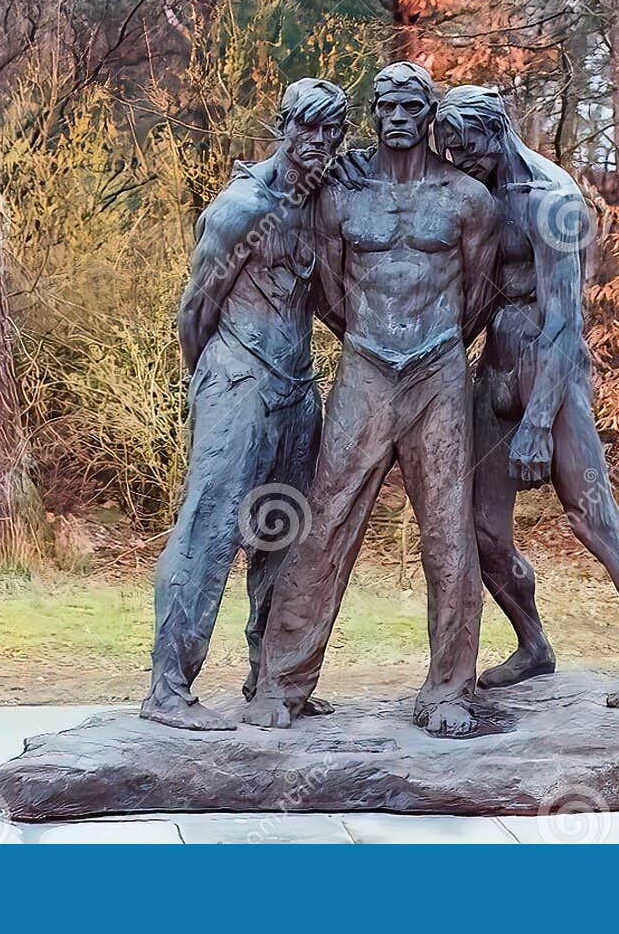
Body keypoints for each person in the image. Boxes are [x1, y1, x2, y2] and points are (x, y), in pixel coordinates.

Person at [241, 62, 501, 737]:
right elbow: (329, 287)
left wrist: (435, 343)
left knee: (448, 530)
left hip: (438, 372)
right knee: (323, 522)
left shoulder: (468, 198)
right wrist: (373, 340)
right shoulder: (340, 196)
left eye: (409, 104)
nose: (394, 115)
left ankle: (450, 688)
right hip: (364, 370)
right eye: (383, 104)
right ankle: (282, 680)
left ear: (429, 111)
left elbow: (477, 294)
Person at [435, 84, 619, 708]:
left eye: (466, 145)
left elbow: (564, 323)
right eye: (447, 147)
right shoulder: (477, 189)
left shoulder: (552, 201)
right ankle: (534, 646)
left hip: (549, 375)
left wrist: (536, 421)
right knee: (481, 530)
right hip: (496, 369)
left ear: (497, 129)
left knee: (595, 521)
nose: (456, 158)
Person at [140, 78, 349, 731]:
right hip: (236, 384)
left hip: (297, 389)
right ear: (282, 127)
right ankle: (169, 689)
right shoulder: (241, 208)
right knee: (209, 531)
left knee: (284, 536)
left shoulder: (320, 209)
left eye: (331, 133)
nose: (318, 143)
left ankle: (271, 680)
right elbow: (195, 311)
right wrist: (209, 388)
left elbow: (335, 305)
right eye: (307, 128)